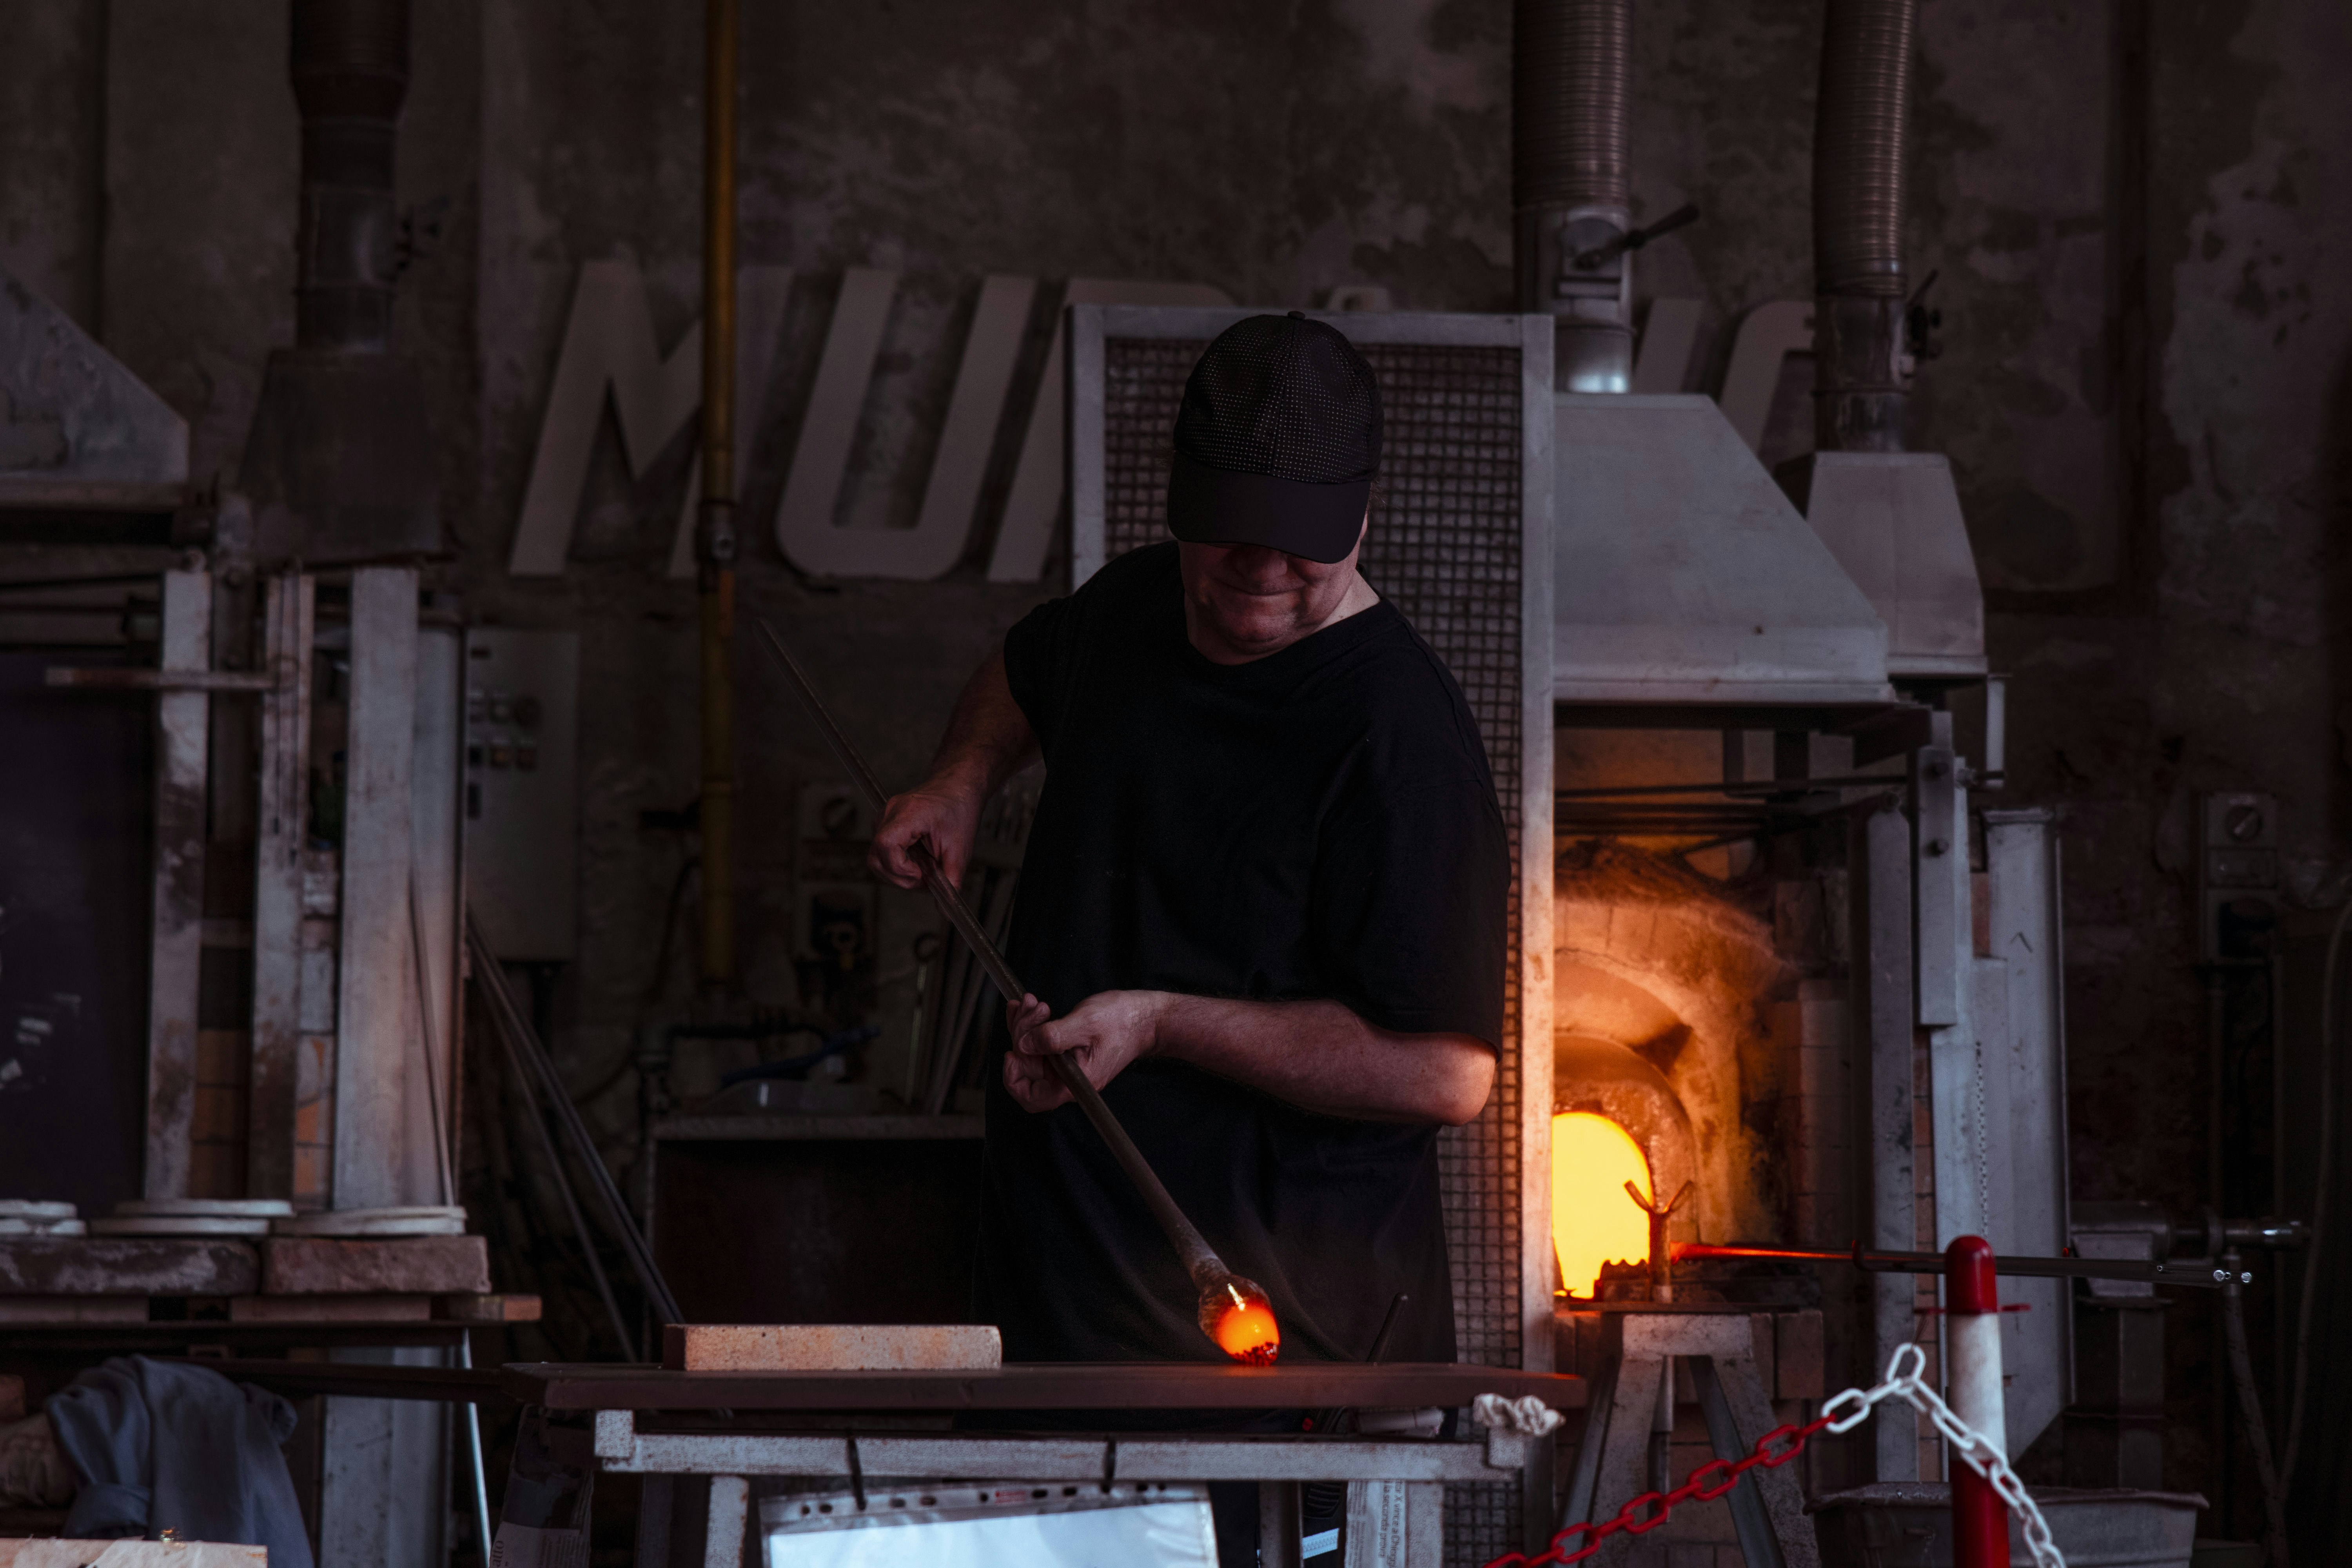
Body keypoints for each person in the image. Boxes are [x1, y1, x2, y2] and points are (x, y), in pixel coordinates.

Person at [869, 310, 1509, 1565]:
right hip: (1053, 1339)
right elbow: (1024, 667)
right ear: (1181, 506)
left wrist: (1161, 1023)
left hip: (1276, 1381)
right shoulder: (1129, 612)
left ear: (1360, 519)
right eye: (1232, 538)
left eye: (1298, 546)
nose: (1260, 570)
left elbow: (1448, 1074)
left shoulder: (1399, 740)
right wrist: (961, 779)